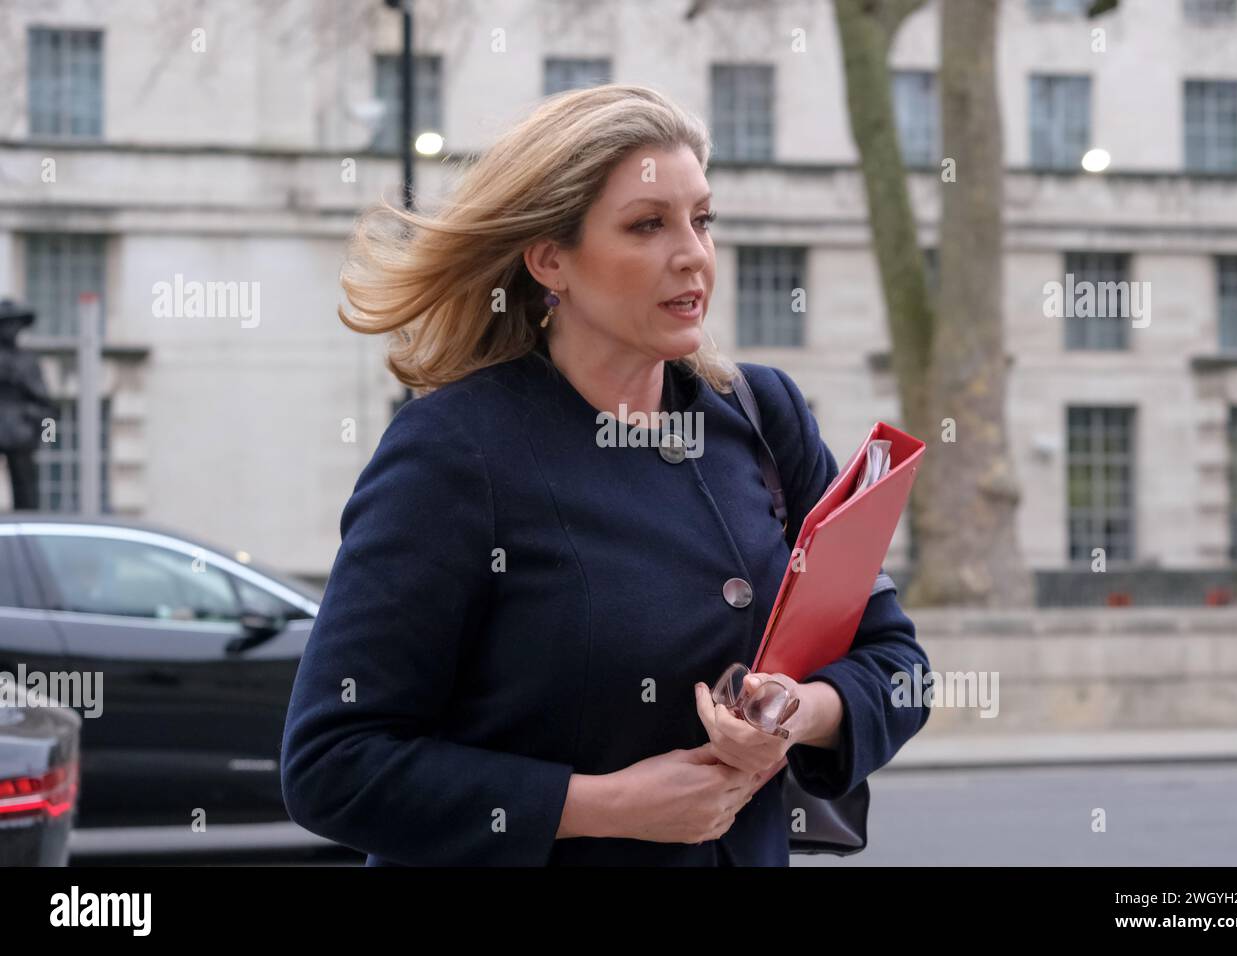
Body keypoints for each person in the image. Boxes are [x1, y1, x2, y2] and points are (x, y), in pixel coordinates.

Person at [280, 84, 931, 866]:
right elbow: (331, 765)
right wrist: (600, 806)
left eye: (703, 219)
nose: (692, 252)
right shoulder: (454, 450)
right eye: (648, 225)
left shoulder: (763, 414)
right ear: (550, 259)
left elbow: (898, 668)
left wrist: (797, 711)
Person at [0, 299, 56, 511]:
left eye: (14, 324)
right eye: (6, 324)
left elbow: (46, 404)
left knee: (26, 489)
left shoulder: (27, 361)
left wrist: (46, 437)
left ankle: (28, 517)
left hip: (19, 430)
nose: (11, 329)